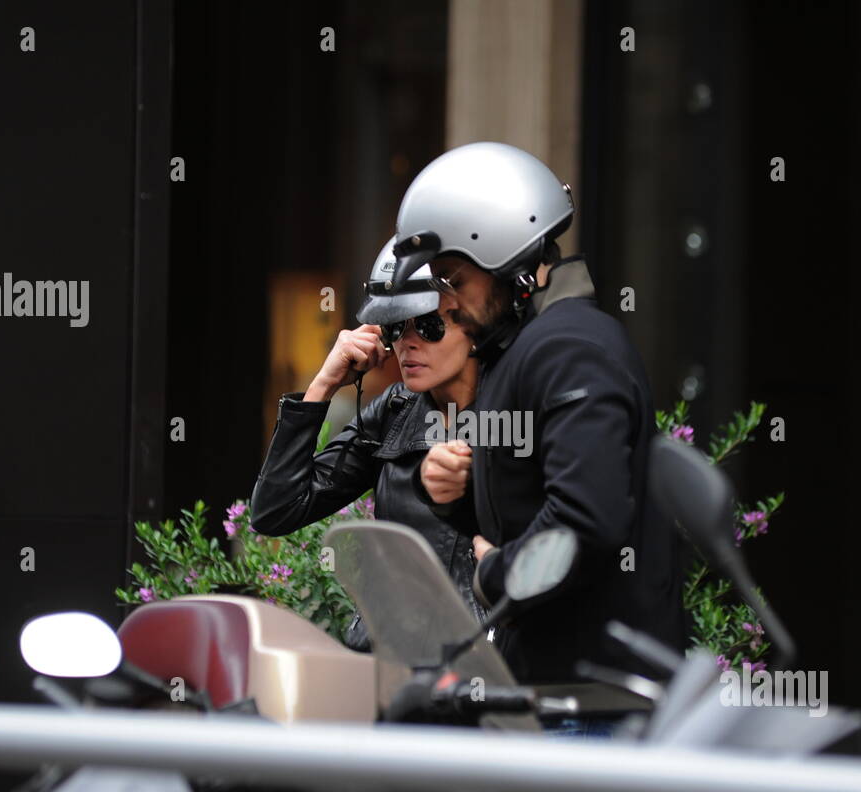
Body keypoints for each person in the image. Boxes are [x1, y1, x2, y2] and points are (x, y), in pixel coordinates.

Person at [394, 142, 688, 713]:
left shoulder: (569, 349)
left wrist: (494, 574)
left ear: (507, 259)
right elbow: (529, 504)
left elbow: (584, 523)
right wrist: (457, 490)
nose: (445, 305)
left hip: (594, 705)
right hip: (554, 693)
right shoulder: (522, 351)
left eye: (453, 278)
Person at [249, 239, 487, 651]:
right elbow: (276, 510)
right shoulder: (394, 411)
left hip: (482, 663)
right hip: (387, 660)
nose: (408, 344)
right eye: (396, 328)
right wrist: (322, 386)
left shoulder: (520, 413)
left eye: (427, 326)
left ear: (475, 325)